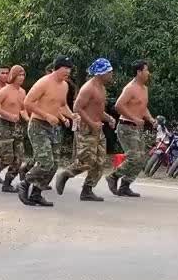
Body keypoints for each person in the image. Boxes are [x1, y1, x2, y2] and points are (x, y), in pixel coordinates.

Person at [55, 58, 117, 202]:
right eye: (109, 72)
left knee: (100, 162)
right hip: (86, 129)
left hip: (97, 129)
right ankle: (65, 174)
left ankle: (87, 190)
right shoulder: (88, 88)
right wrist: (91, 123)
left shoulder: (102, 87)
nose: (111, 75)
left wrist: (109, 119)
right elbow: (77, 108)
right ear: (101, 73)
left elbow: (98, 110)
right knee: (86, 161)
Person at [18, 56, 76, 206]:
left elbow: (62, 105)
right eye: (65, 68)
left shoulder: (64, 85)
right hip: (38, 125)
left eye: (70, 69)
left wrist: (70, 115)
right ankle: (25, 183)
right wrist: (46, 115)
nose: (68, 72)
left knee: (54, 164)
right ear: (57, 68)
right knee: (46, 162)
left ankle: (37, 193)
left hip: (53, 127)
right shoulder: (44, 83)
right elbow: (27, 103)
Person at [107, 60, 156, 197]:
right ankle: (113, 176)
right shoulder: (130, 88)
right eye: (146, 70)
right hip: (126, 127)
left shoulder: (144, 88)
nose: (148, 73)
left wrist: (150, 119)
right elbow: (118, 105)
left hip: (137, 129)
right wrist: (134, 118)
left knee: (142, 158)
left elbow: (142, 106)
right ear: (139, 72)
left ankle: (125, 185)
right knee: (134, 157)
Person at [0, 65, 28, 193]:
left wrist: (28, 119)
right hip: (4, 125)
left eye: (23, 75)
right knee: (7, 157)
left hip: (17, 126)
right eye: (19, 75)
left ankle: (7, 184)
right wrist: (8, 115)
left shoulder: (22, 92)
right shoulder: (5, 90)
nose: (21, 78)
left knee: (18, 158)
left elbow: (23, 108)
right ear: (13, 76)